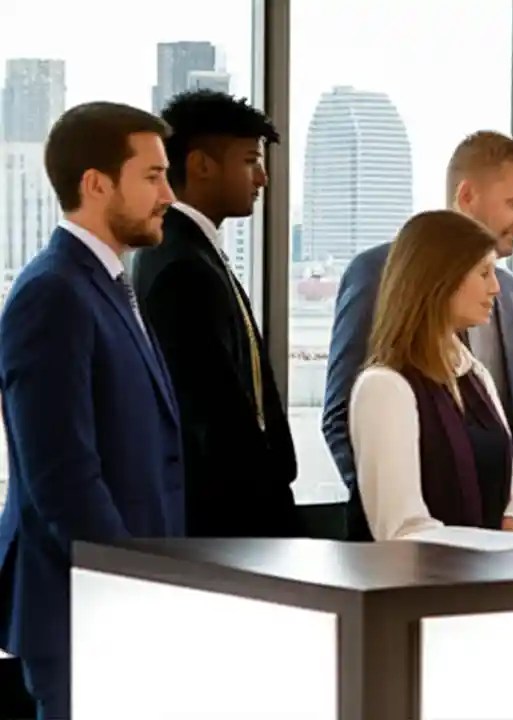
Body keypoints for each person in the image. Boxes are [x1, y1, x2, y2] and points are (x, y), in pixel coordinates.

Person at [0, 102, 185, 718]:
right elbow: (63, 477)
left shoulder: (107, 285)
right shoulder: (53, 292)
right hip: (86, 610)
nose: (169, 194)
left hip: (122, 604)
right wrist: (123, 590)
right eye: (153, 176)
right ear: (96, 184)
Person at [324, 131, 513, 532]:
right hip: (407, 553)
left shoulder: (507, 293)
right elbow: (341, 414)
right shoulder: (378, 273)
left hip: (497, 546)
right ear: (467, 196)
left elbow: (509, 421)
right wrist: (388, 497)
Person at [132, 90, 300, 538]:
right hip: (224, 526)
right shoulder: (180, 265)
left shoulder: (194, 253)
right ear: (202, 165)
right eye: (249, 161)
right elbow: (210, 416)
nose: (262, 177)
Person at [347, 211, 513, 538]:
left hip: (491, 579)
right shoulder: (385, 387)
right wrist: (490, 550)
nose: (496, 288)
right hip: (423, 585)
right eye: (484, 273)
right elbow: (401, 527)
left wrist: (510, 536)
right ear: (441, 279)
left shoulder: (475, 375)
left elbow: (512, 490)